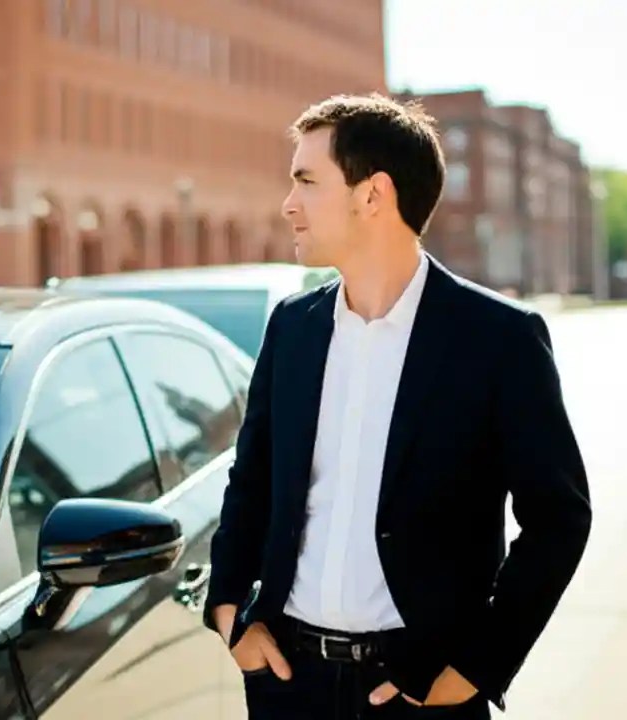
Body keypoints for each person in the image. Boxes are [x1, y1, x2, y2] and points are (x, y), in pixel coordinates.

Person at [203, 93, 592, 719]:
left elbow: (558, 519)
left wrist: (474, 668)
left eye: (307, 180)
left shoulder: (498, 339)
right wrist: (229, 612)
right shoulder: (293, 327)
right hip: (287, 684)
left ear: (372, 195)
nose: (288, 204)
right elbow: (251, 483)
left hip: (418, 694)